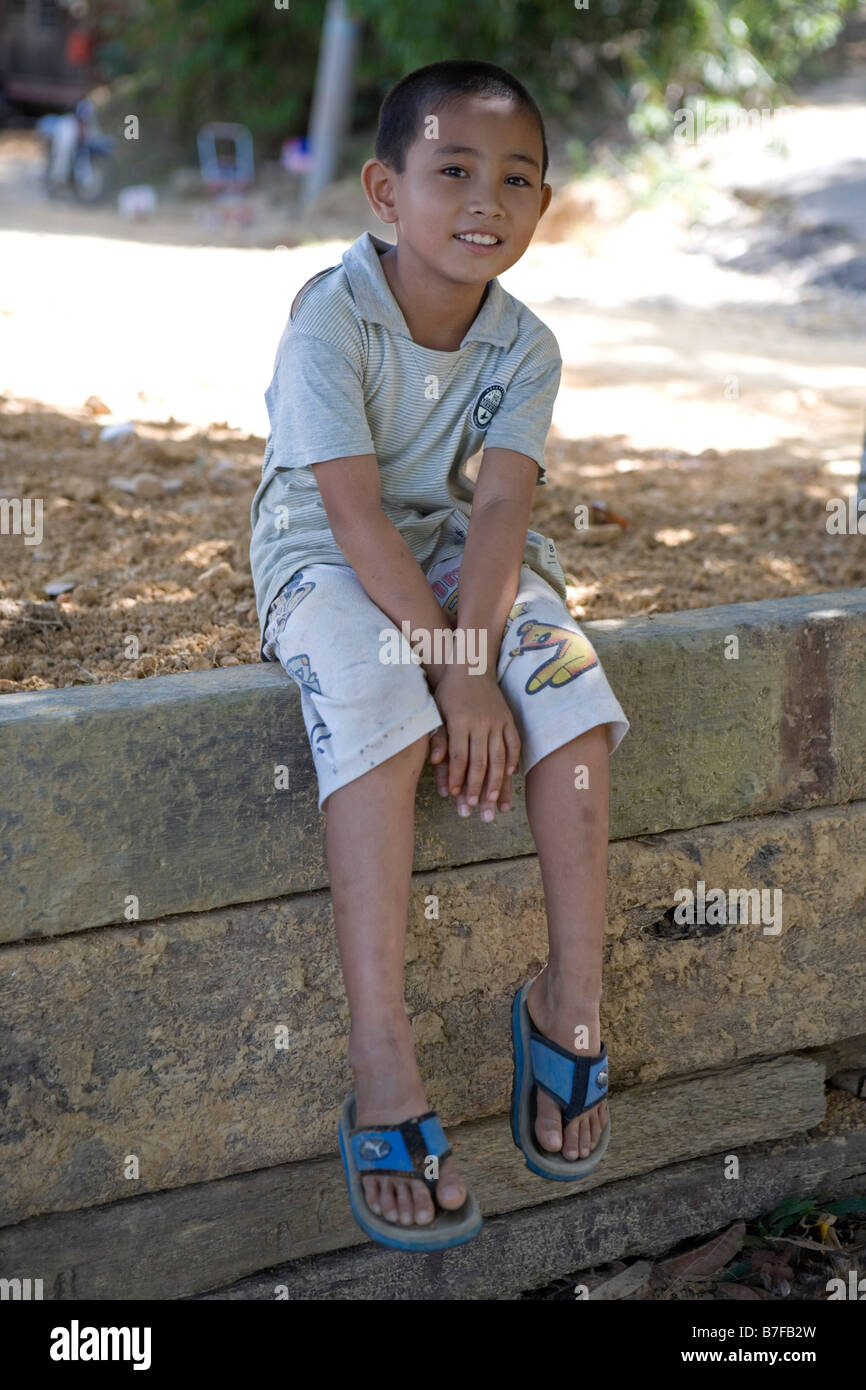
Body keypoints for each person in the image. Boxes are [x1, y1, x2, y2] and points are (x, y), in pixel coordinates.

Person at [249, 59, 630, 1250]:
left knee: (564, 684)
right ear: (383, 189)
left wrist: (483, 653)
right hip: (324, 553)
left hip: (465, 558)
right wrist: (452, 670)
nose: (485, 199)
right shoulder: (332, 317)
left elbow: (502, 517)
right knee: (377, 696)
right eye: (452, 170)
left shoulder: (526, 346)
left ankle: (569, 1004)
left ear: (541, 207)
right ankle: (381, 1057)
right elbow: (355, 517)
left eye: (515, 179)